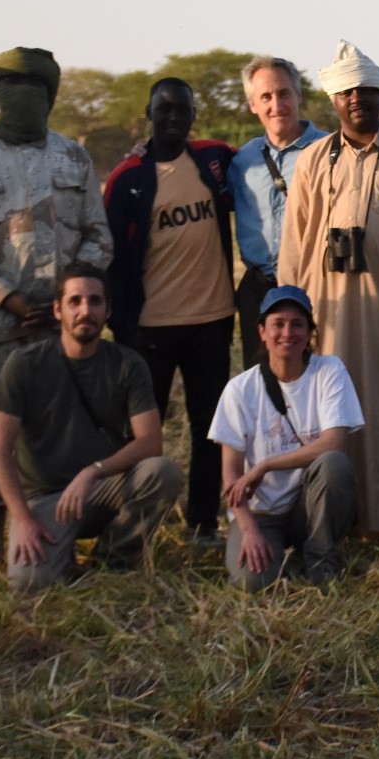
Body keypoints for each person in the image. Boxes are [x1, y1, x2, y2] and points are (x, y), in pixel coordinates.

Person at [0, 47, 112, 561]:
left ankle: (69, 524)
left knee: (65, 428)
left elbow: (98, 238)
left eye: (37, 91)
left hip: (64, 329)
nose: (25, 101)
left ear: (51, 97)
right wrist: (9, 299)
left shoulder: (74, 158)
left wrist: (65, 300)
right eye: (13, 90)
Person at [280, 40, 379, 546]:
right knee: (328, 421)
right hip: (327, 324)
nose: (356, 99)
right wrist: (293, 325)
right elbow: (295, 247)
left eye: (366, 89)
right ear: (334, 99)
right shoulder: (311, 162)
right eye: (347, 91)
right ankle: (334, 526)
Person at [0, 263, 183, 591]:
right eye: (75, 301)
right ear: (57, 310)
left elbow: (151, 442)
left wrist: (93, 471)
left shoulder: (127, 363)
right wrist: (21, 518)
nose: (85, 311)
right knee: (29, 582)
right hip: (46, 499)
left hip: (102, 487)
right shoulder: (25, 364)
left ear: (107, 310)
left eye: (95, 301)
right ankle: (60, 561)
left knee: (164, 473)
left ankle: (114, 558)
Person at [102, 78, 236, 546]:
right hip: (151, 330)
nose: (175, 118)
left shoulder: (215, 159)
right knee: (145, 432)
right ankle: (134, 529)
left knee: (210, 428)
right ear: (149, 113)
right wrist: (123, 329)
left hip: (213, 321)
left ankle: (203, 523)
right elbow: (113, 262)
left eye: (183, 110)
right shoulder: (127, 179)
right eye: (165, 111)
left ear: (194, 113)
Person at [212, 286, 364, 589]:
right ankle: (280, 552)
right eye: (278, 324)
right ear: (262, 331)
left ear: (310, 332)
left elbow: (334, 442)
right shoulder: (240, 390)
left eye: (298, 324)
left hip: (308, 508)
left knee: (334, 464)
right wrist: (249, 529)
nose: (287, 333)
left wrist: (265, 465)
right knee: (251, 583)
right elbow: (231, 477)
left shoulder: (329, 370)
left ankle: (321, 558)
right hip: (261, 513)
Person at [231, 55, 326, 368]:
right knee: (261, 380)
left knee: (317, 373)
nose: (276, 105)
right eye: (266, 97)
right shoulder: (242, 161)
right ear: (252, 105)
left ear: (299, 96)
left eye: (284, 94)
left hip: (314, 285)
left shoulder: (330, 151)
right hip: (258, 288)